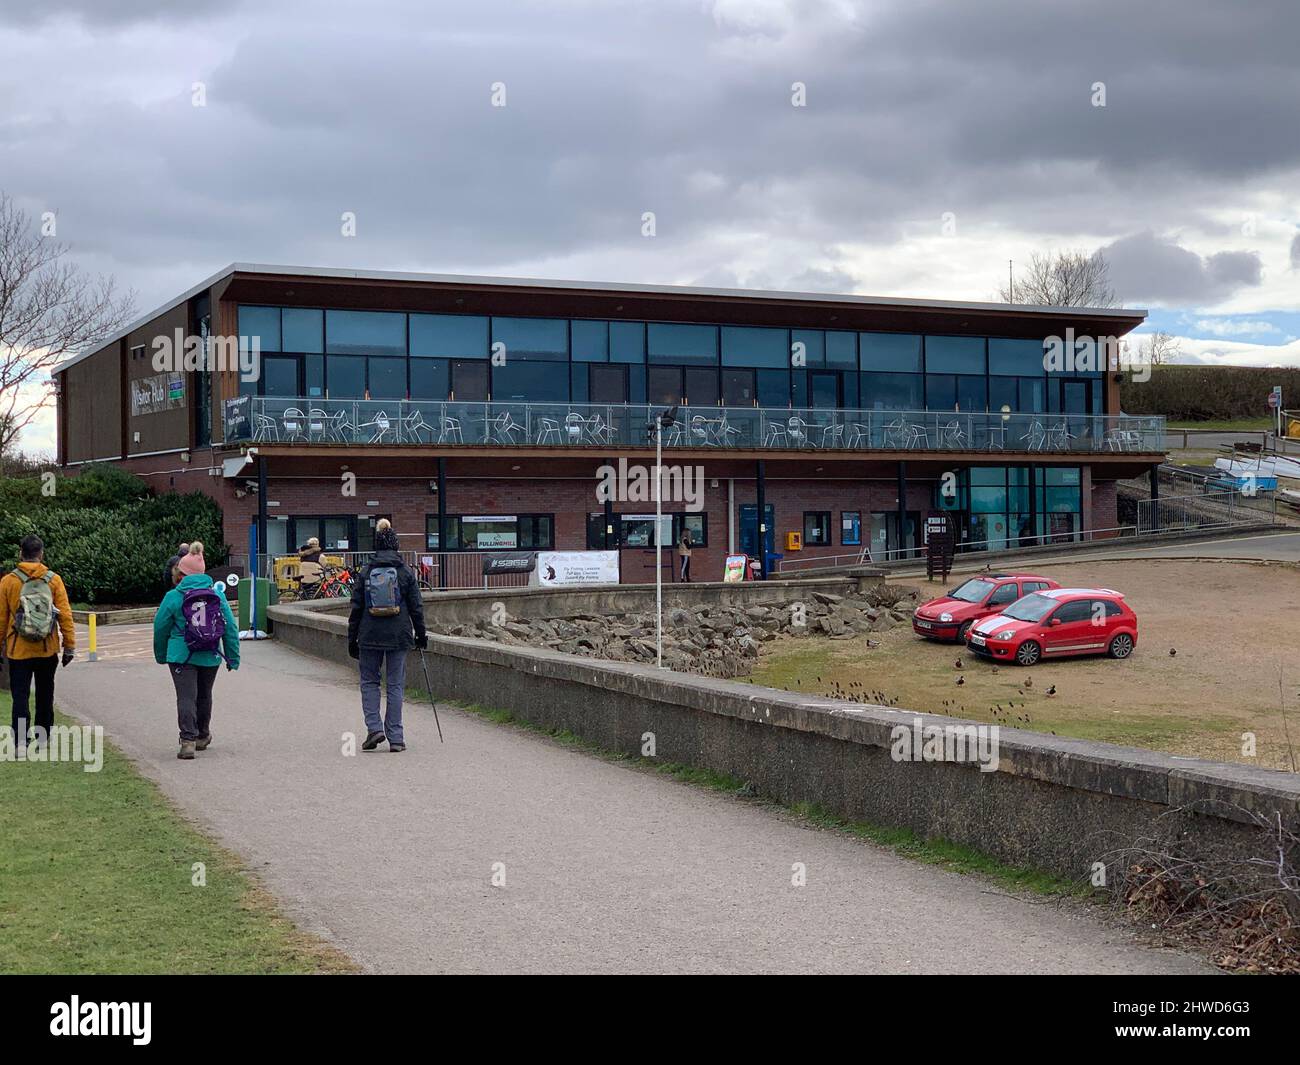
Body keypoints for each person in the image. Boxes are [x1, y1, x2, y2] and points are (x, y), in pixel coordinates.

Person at [153, 541, 240, 760]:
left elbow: (160, 628)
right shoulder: (217, 596)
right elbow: (229, 627)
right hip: (210, 653)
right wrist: (232, 657)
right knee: (204, 695)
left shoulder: (173, 597)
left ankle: (188, 741)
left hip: (181, 655)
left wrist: (161, 655)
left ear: (181, 574)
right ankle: (202, 735)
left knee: (185, 697)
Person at [347, 518, 426, 753]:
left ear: (376, 546)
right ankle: (396, 737)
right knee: (395, 684)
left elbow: (356, 609)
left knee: (370, 682)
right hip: (398, 635)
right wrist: (421, 635)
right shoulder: (405, 573)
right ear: (396, 546)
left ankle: (374, 728)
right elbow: (416, 607)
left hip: (369, 635)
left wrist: (352, 639)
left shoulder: (366, 572)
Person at [0, 534, 75, 751]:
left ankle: (21, 741)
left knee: (20, 696)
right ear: (41, 553)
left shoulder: (8, 581)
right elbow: (65, 615)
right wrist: (69, 645)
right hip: (46, 647)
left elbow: (2, 618)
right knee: (45, 693)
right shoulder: (53, 580)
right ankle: (43, 737)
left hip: (18, 649)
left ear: (20, 553)